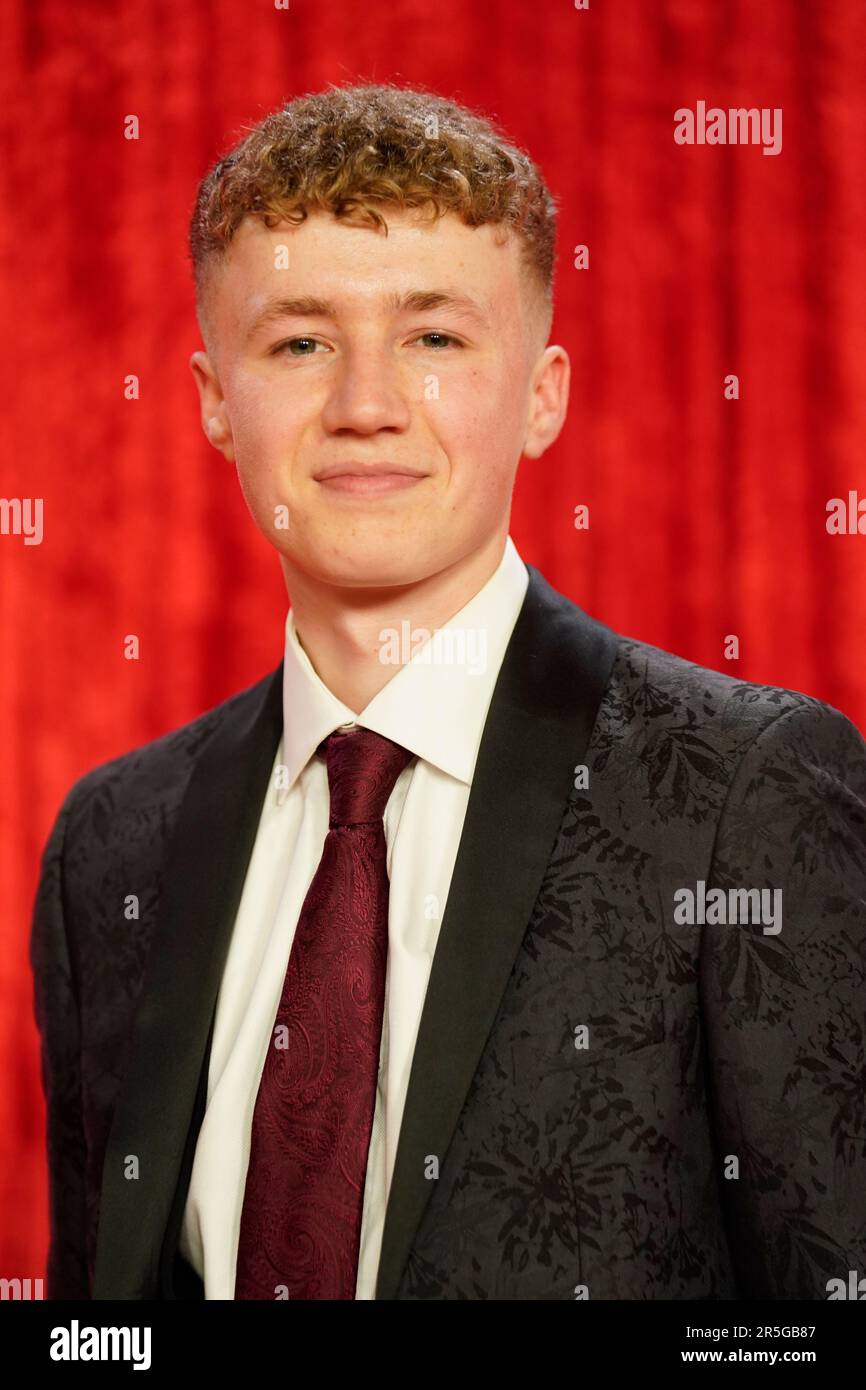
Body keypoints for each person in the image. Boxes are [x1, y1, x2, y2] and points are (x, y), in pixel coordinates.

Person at [30, 82, 866, 1301]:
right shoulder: (111, 845)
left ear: (541, 395)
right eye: (301, 341)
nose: (366, 407)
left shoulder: (745, 792)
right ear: (215, 400)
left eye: (433, 337)